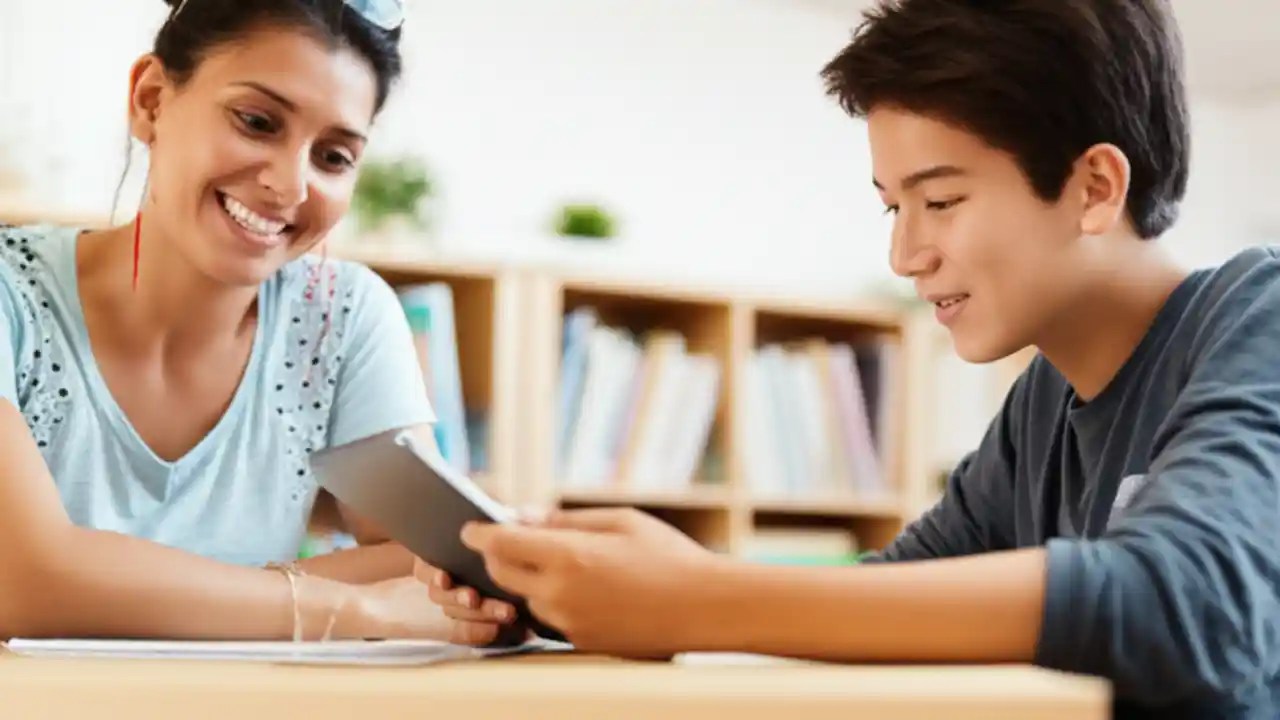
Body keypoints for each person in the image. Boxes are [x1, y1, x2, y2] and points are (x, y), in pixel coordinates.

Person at [431, 1, 1280, 716]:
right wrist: (592, 591)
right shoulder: (1041, 405)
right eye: (892, 208)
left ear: (1095, 187)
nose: (905, 256)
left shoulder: (1258, 313)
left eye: (940, 200)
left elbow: (1189, 606)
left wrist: (694, 595)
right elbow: (885, 601)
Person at [0, 0, 489, 644]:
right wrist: (351, 608)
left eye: (333, 157)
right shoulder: (12, 295)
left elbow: (439, 562)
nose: (291, 186)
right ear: (151, 100)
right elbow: (22, 580)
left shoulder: (342, 317)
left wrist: (135, 590)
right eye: (257, 122)